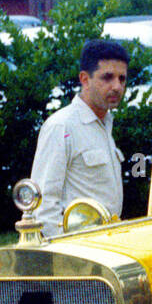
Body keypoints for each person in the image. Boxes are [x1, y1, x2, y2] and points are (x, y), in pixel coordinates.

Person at [31, 39, 129, 236]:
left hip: (109, 245)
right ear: (85, 79)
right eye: (107, 78)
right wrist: (68, 253)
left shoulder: (105, 123)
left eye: (122, 79)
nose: (117, 86)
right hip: (78, 253)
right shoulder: (61, 126)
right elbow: (42, 206)